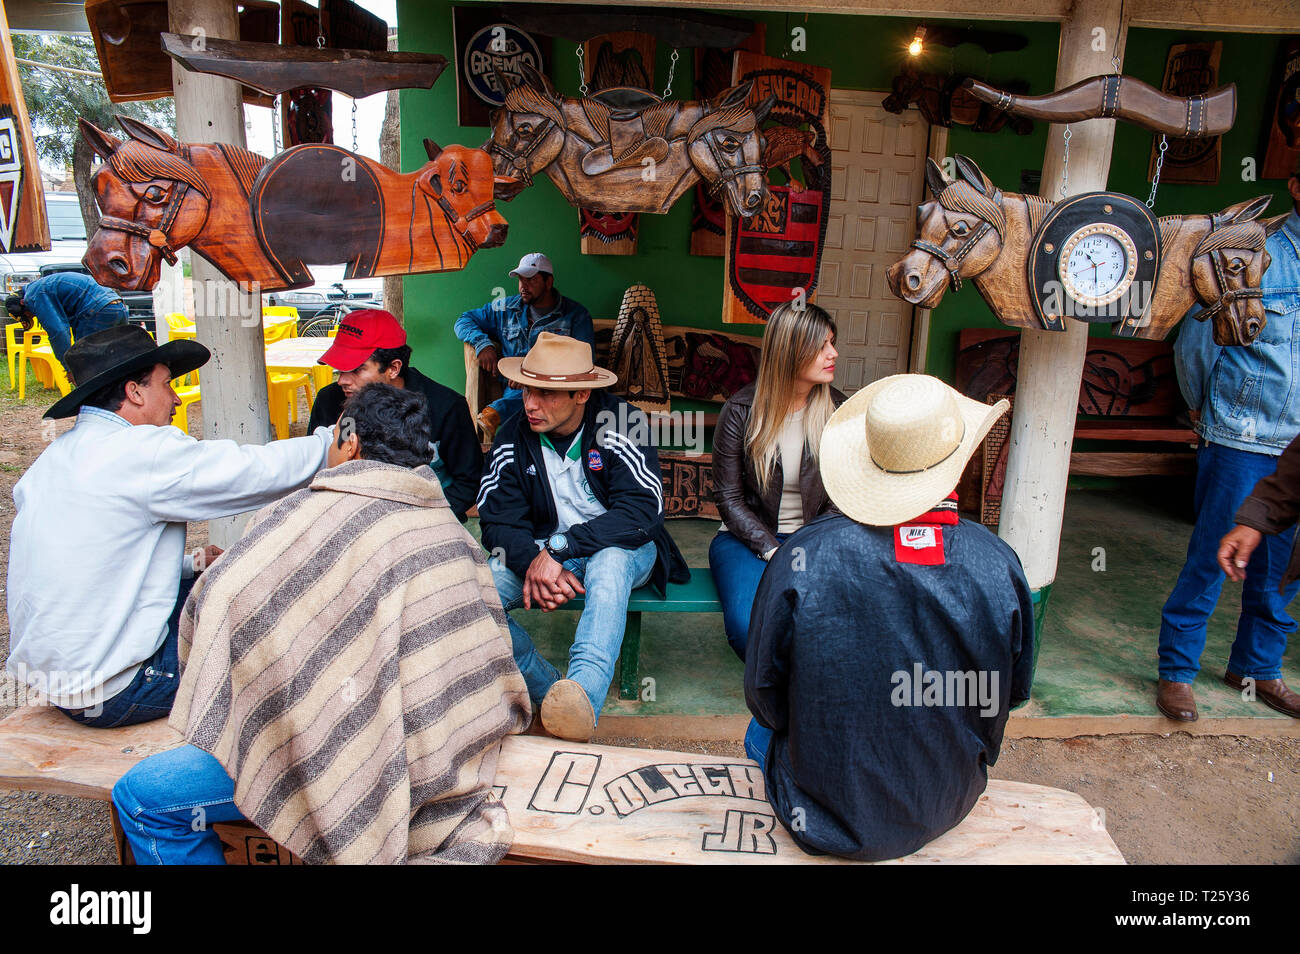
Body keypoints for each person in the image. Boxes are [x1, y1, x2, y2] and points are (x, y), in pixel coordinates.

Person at [112, 383, 531, 864]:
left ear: (350, 443)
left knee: (142, 796)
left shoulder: (297, 516)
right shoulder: (452, 534)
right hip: (447, 752)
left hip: (346, 765)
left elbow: (219, 597)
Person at [745, 374, 1034, 862]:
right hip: (946, 801)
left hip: (817, 810)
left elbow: (763, 696)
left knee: (761, 735)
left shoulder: (803, 555)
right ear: (957, 468)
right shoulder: (999, 563)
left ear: (867, 464)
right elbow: (1013, 695)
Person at [7, 324, 334, 728]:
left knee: (213, 579)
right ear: (135, 392)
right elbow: (255, 472)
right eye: (167, 385)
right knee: (276, 625)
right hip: (119, 690)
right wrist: (334, 441)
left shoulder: (55, 458)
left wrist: (188, 564)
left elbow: (89, 562)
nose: (177, 399)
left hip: (62, 679)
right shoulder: (141, 452)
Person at [476, 333, 688, 742]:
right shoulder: (514, 434)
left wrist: (561, 549)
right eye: (526, 390)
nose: (531, 404)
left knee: (609, 562)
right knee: (475, 593)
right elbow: (497, 520)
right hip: (544, 554)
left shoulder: (622, 424)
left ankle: (583, 700)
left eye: (546, 394)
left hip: (623, 548)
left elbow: (642, 512)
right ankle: (553, 691)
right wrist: (532, 561)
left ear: (581, 395)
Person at [1156, 167, 1300, 722]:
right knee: (1214, 559)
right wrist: (1202, 408)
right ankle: (1177, 671)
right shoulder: (1251, 252)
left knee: (1279, 571)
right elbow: (1197, 343)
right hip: (1241, 435)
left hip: (1298, 451)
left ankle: (1258, 668)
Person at [709, 301, 845, 660]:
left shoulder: (839, 412)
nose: (833, 353)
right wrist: (773, 551)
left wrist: (808, 548)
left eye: (832, 342)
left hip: (816, 539)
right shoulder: (740, 411)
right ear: (791, 351)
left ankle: (793, 703)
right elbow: (728, 499)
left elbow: (841, 496)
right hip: (747, 541)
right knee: (746, 626)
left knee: (829, 620)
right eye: (822, 345)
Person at [305, 309, 482, 521]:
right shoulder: (329, 401)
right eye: (340, 369)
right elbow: (315, 467)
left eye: (356, 369)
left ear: (393, 368)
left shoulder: (446, 406)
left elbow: (469, 480)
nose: (342, 380)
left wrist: (422, 519)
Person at [454, 252, 594, 440]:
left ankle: (496, 413)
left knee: (536, 395)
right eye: (520, 280)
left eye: (531, 280)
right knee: (522, 400)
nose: (523, 286)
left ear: (548, 281)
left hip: (555, 387)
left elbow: (585, 361)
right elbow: (464, 320)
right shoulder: (505, 309)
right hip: (513, 386)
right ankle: (497, 421)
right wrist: (482, 344)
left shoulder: (575, 315)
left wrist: (533, 375)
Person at [6, 271, 131, 363]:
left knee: (87, 363)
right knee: (118, 358)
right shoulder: (41, 285)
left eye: (28, 315)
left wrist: (70, 367)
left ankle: (93, 396)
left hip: (97, 310)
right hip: (117, 306)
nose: (32, 316)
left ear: (23, 303)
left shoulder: (34, 296)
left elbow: (58, 332)